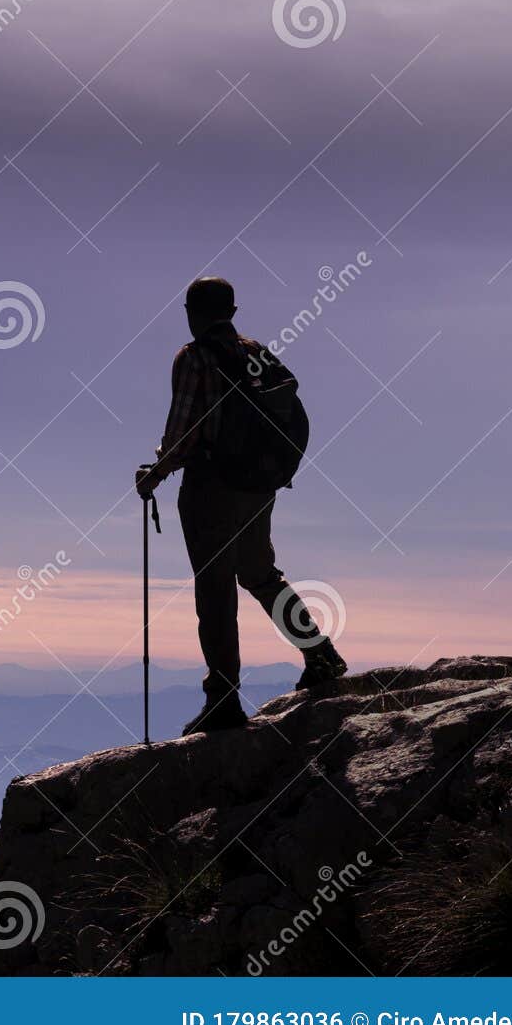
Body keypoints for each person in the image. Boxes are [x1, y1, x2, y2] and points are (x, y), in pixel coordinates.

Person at [135, 277, 347, 736]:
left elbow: (183, 431)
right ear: (232, 310)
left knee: (214, 591)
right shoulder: (258, 355)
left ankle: (224, 700)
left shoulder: (193, 358)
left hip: (211, 485)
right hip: (257, 485)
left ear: (192, 311)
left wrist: (154, 473)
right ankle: (320, 654)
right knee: (258, 573)